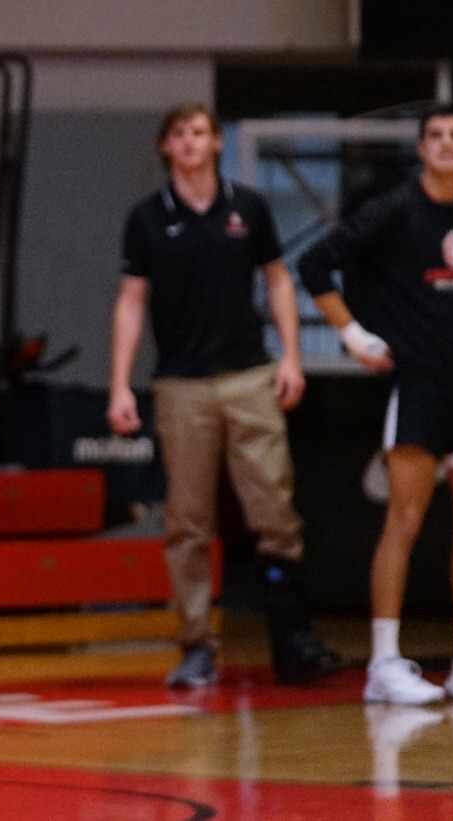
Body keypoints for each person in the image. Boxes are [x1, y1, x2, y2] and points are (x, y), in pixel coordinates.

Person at [298, 104, 453, 705]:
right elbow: (315, 264)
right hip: (421, 381)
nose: (447, 144)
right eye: (436, 135)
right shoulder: (395, 208)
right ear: (421, 148)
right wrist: (354, 336)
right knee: (404, 518)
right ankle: (383, 663)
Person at [107, 104, 340, 690]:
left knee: (274, 510)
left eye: (201, 133)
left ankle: (292, 638)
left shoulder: (248, 208)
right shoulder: (147, 218)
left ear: (215, 143)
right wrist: (119, 384)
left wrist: (291, 355)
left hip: (248, 376)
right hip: (181, 383)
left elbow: (278, 280)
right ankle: (194, 644)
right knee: (188, 518)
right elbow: (131, 301)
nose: (191, 142)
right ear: (166, 146)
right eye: (180, 134)